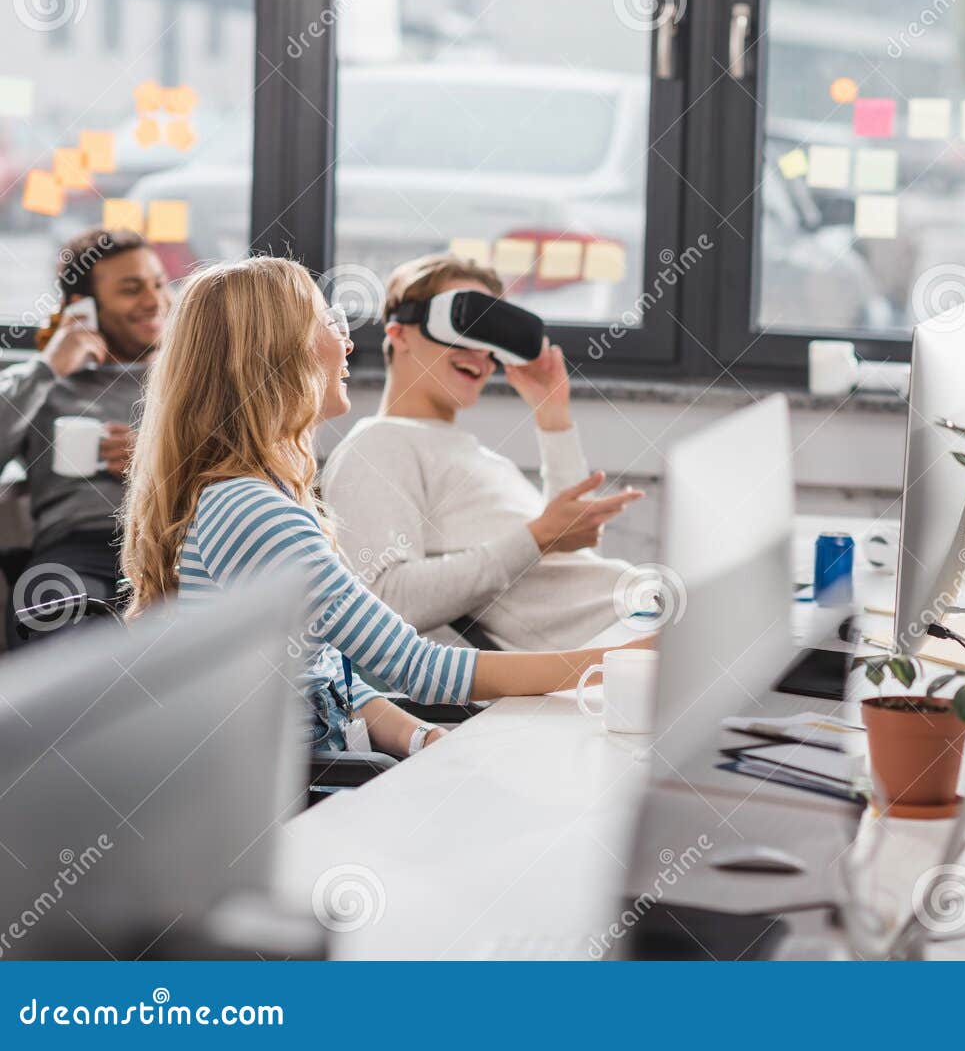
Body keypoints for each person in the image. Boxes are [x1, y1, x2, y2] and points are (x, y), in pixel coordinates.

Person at [119, 256, 647, 759]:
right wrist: (614, 662)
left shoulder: (265, 498)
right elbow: (412, 664)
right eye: (327, 320)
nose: (347, 343)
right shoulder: (253, 507)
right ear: (278, 353)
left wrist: (423, 741)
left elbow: (320, 669)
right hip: (289, 790)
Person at [322, 255, 642, 652]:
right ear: (400, 333)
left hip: (642, 615)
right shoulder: (377, 443)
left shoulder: (482, 458)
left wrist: (552, 415)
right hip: (617, 647)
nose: (481, 354)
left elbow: (574, 560)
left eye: (491, 341)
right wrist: (538, 536)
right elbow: (382, 601)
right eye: (465, 328)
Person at [0, 228, 168, 645]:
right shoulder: (47, 384)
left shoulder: (189, 380)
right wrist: (48, 366)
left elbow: (245, 469)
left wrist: (157, 462)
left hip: (174, 544)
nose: (154, 300)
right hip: (79, 548)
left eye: (159, 284)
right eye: (132, 289)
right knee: (55, 626)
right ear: (85, 306)